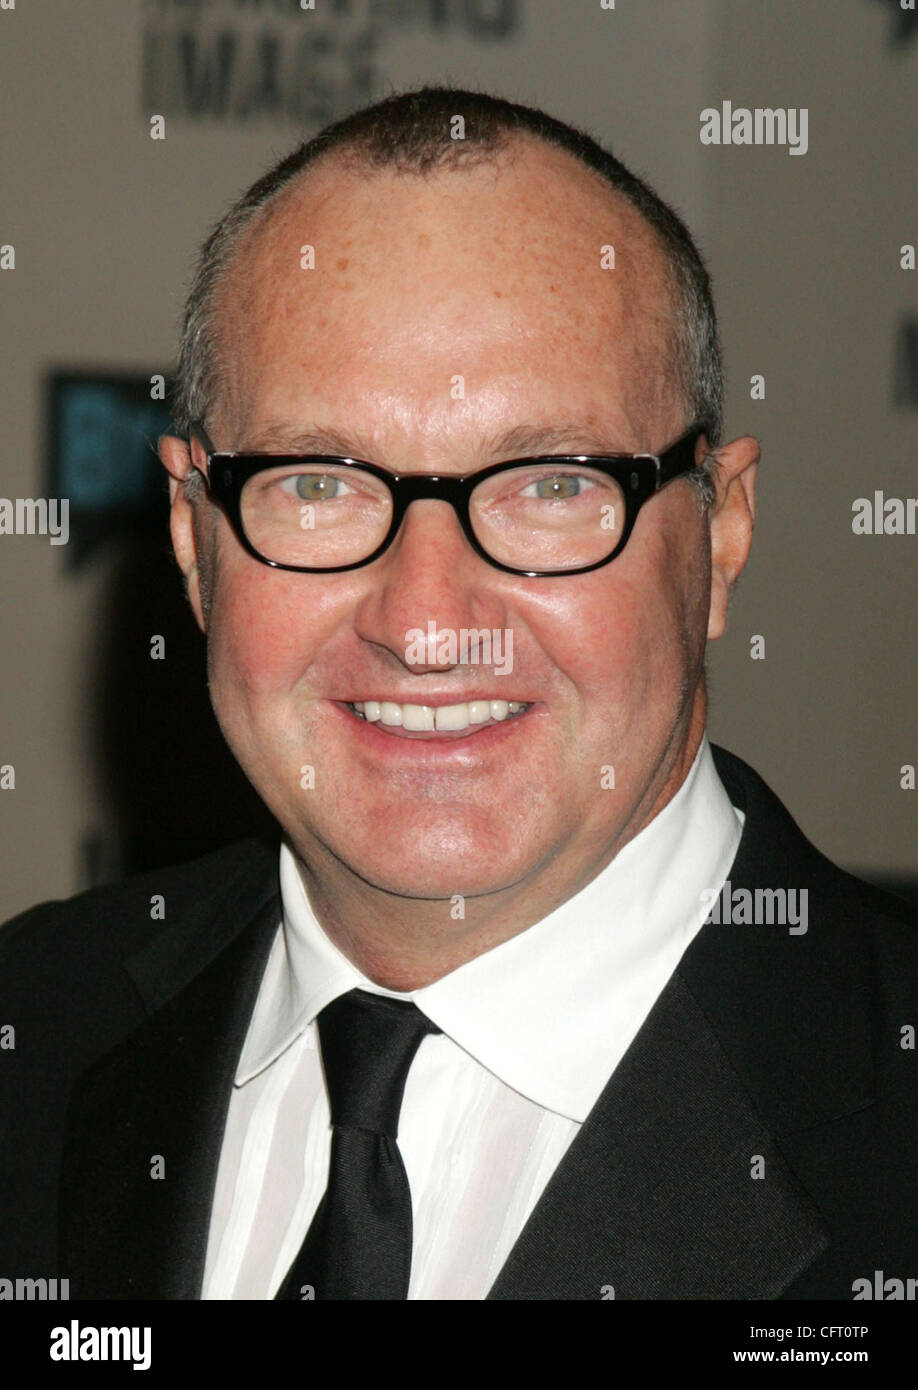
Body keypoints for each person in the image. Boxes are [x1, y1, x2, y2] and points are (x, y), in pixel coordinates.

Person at [1, 86, 915, 1302]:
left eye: (550, 485)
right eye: (317, 484)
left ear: (721, 531)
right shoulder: (32, 1032)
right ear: (191, 532)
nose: (427, 624)